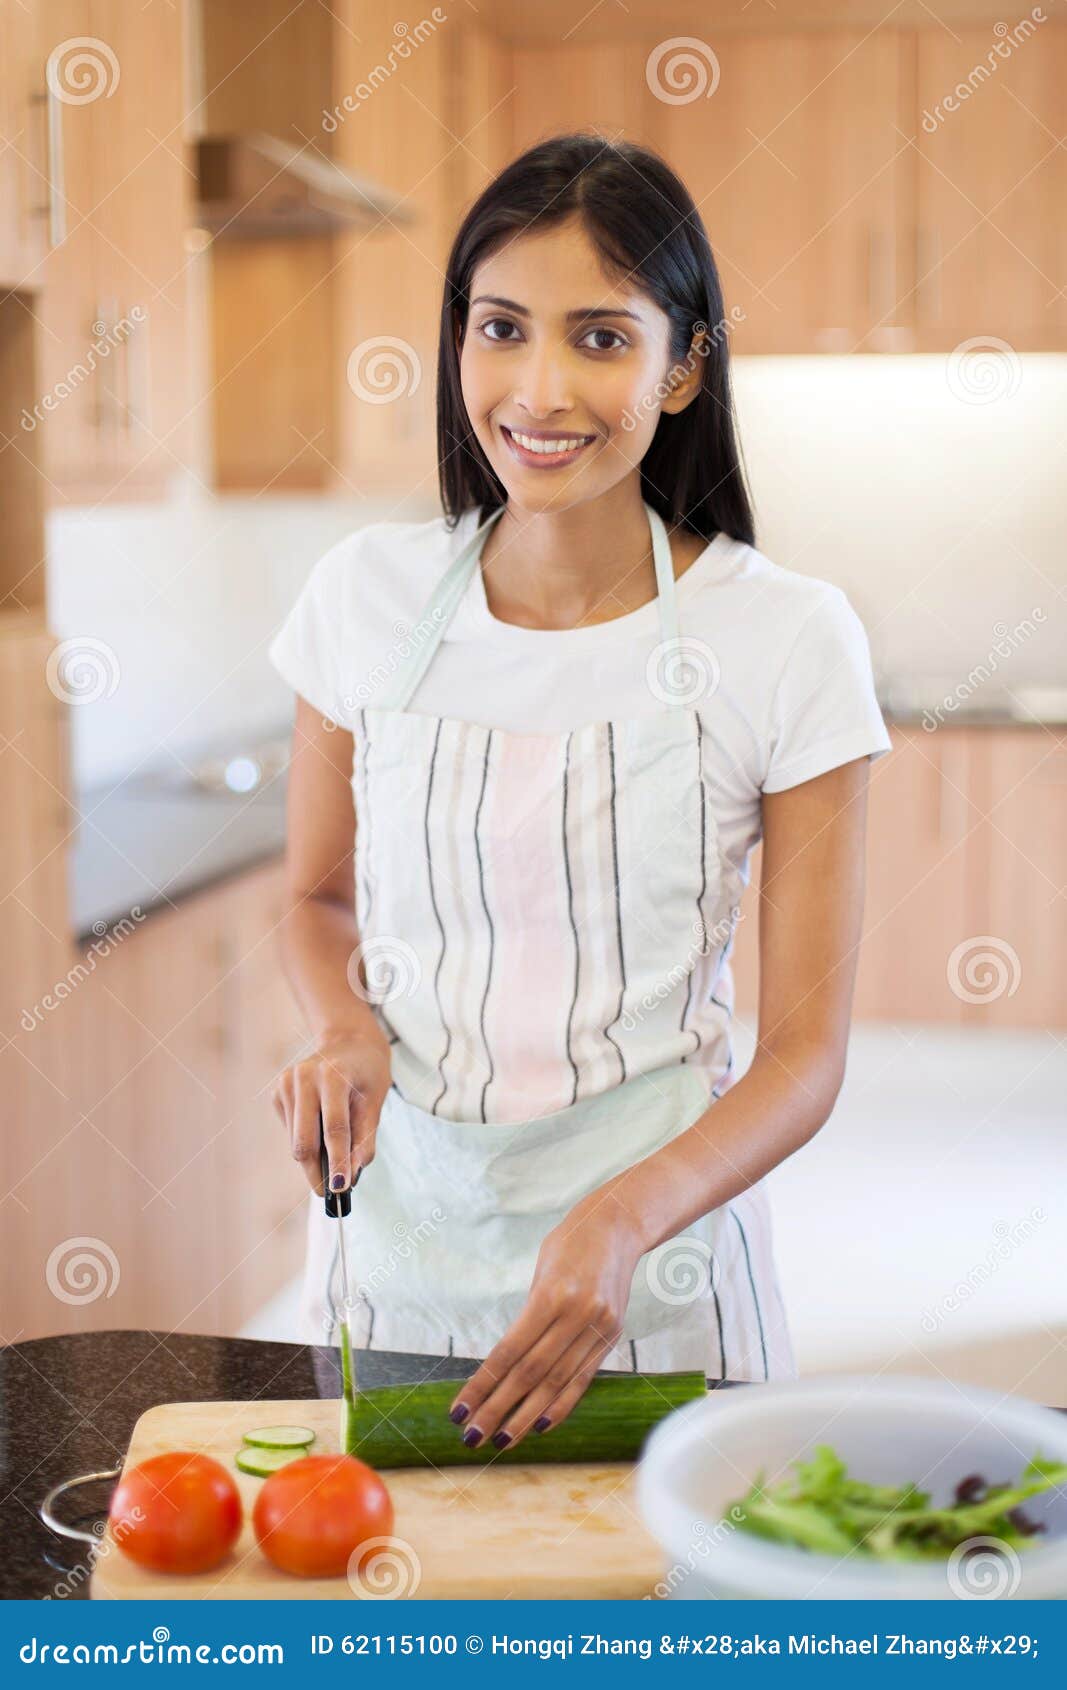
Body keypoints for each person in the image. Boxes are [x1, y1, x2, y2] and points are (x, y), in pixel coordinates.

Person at [268, 132, 891, 1453]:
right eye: (501, 328)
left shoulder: (783, 636)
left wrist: (621, 1218)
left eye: (603, 337)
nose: (540, 389)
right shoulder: (362, 602)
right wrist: (342, 1026)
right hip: (404, 1266)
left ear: (685, 366)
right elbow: (316, 898)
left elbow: (803, 1055)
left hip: (658, 1281)